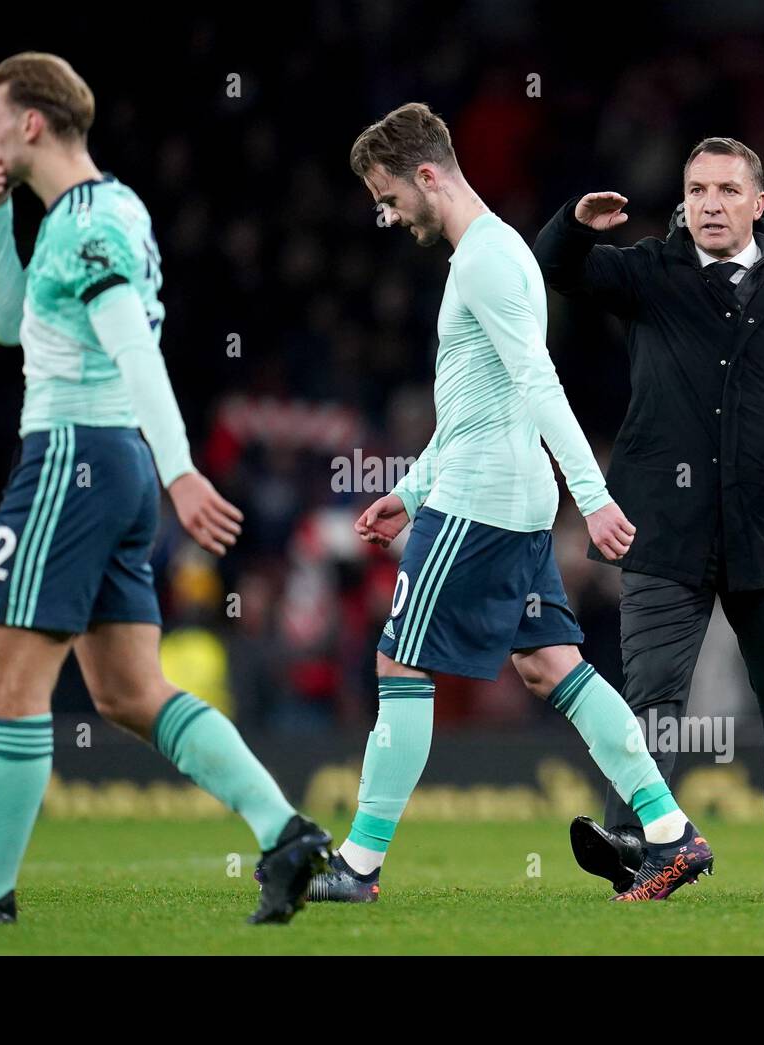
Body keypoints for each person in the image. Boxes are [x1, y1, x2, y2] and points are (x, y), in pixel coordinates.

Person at [0, 53, 329, 927]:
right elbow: (11, 324)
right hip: (111, 461)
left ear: (31, 125)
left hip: (73, 457)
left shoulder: (87, 225)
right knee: (127, 689)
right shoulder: (100, 211)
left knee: (9, 678)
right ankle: (285, 833)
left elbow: (132, 347)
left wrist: (183, 469)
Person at [304, 103, 714, 905]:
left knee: (400, 662)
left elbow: (537, 384)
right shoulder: (502, 254)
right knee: (550, 663)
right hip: (502, 497)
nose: (384, 216)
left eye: (387, 196)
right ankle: (671, 833)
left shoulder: (486, 262)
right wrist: (408, 490)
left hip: (478, 507)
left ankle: (357, 864)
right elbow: (479, 409)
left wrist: (592, 499)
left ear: (428, 175)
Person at [534, 137, 764, 896]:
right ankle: (637, 838)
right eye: (697, 190)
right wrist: (573, 223)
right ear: (682, 200)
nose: (711, 204)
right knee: (651, 693)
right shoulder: (650, 272)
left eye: (728, 189)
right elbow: (553, 271)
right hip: (663, 526)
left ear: (759, 203)